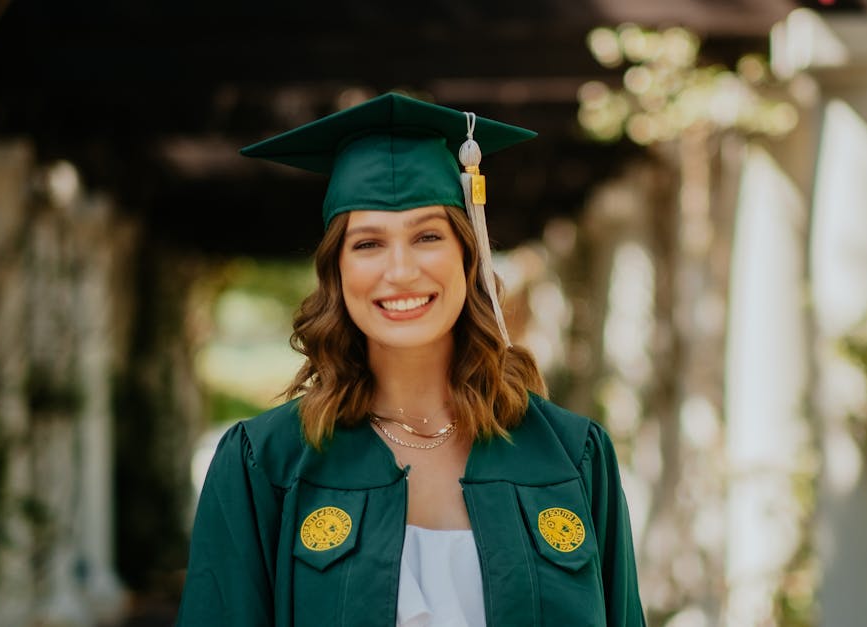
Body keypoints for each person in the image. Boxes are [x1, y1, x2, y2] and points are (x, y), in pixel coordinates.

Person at [177, 92, 646, 626]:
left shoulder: (571, 455)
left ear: (467, 256)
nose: (399, 271)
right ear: (337, 272)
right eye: (368, 244)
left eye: (427, 236)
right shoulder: (267, 463)